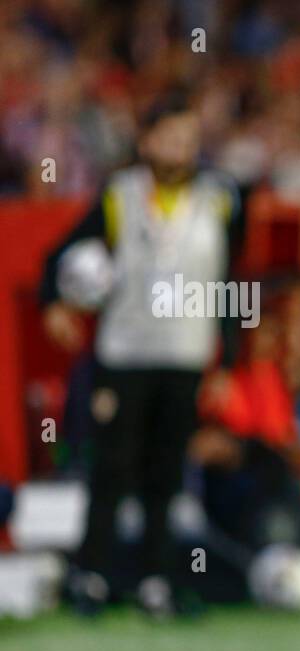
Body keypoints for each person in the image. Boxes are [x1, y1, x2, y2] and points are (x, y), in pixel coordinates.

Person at [40, 94, 245, 618]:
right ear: (146, 141)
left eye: (189, 140)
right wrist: (54, 303)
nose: (182, 150)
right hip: (123, 353)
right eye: (172, 138)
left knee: (167, 473)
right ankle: (92, 578)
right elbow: (58, 256)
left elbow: (234, 284)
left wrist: (227, 363)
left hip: (185, 355)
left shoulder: (221, 200)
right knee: (111, 469)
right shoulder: (119, 195)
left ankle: (158, 582)